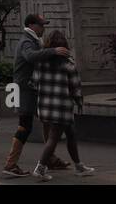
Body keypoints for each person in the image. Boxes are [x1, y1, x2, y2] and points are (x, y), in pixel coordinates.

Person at [4, 13, 72, 177]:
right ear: (32, 25)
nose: (43, 28)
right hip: (24, 89)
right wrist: (53, 51)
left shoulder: (34, 40)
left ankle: (50, 158)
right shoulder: (27, 41)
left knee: (47, 120)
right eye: (41, 25)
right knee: (25, 125)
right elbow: (30, 56)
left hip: (31, 88)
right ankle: (10, 164)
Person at [32, 30, 95, 180]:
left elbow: (34, 83)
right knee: (54, 138)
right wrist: (79, 101)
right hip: (61, 107)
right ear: (64, 46)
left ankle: (79, 166)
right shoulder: (68, 64)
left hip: (45, 106)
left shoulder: (41, 63)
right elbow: (75, 86)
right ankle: (40, 168)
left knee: (71, 134)